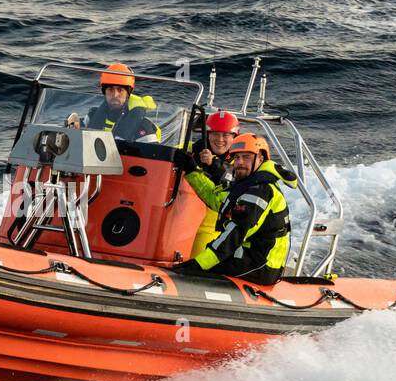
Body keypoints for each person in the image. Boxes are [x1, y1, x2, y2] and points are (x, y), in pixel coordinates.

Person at [175, 133, 298, 285]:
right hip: (249, 255)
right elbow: (216, 199)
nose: (239, 162)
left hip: (262, 265)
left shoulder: (261, 190)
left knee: (202, 268)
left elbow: (235, 234)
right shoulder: (247, 184)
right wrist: (192, 170)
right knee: (206, 260)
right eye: (237, 157)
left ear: (260, 158)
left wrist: (198, 264)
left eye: (246, 157)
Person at [67, 63, 161, 142]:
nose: (115, 95)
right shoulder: (91, 117)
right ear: (104, 92)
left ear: (128, 94)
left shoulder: (143, 125)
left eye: (120, 90)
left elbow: (155, 159)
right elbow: (71, 137)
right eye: (110, 89)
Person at [189, 110, 239, 256]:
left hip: (213, 227)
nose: (220, 139)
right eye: (215, 134)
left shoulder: (240, 159)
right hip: (182, 217)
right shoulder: (191, 150)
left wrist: (213, 163)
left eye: (225, 135)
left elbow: (234, 179)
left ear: (234, 137)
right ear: (207, 134)